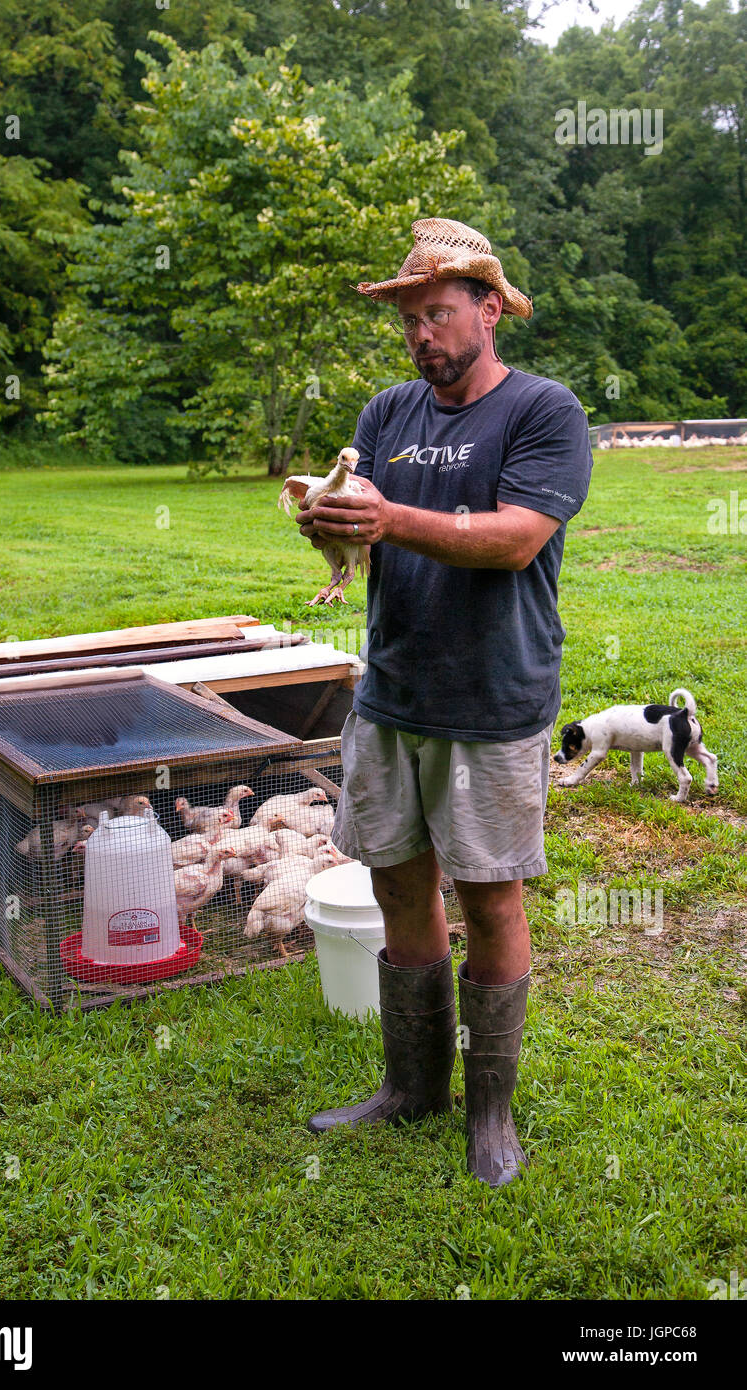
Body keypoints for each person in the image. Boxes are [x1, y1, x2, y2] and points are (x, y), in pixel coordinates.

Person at [296, 217, 593, 1188]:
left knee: (489, 896)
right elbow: (367, 534)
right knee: (394, 879)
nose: (420, 334)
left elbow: (511, 539)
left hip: (491, 696)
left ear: (490, 308)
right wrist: (331, 523)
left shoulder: (543, 413)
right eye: (408, 319)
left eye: (436, 313)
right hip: (393, 688)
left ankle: (490, 1114)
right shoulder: (387, 414)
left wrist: (389, 516)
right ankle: (410, 1086)